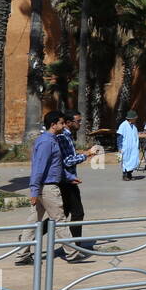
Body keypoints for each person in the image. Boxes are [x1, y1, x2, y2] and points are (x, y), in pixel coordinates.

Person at [22, 111, 76, 265]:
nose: (63, 125)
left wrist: (70, 177)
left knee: (33, 222)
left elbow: (55, 166)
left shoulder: (51, 140)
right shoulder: (46, 142)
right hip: (47, 188)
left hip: (44, 186)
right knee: (59, 219)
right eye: (61, 123)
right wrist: (34, 190)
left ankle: (22, 255)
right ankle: (72, 253)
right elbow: (39, 168)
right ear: (53, 125)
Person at [56, 111, 101, 256]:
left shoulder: (68, 137)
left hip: (69, 178)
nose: (80, 124)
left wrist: (84, 154)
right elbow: (67, 161)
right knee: (77, 213)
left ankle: (31, 237)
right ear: (69, 123)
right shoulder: (63, 137)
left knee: (61, 214)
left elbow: (71, 156)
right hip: (66, 180)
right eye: (78, 121)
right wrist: (86, 154)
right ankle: (76, 247)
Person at [117, 110, 141, 180]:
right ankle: (125, 175)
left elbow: (135, 137)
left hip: (133, 148)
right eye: (135, 118)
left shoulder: (134, 126)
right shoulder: (123, 125)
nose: (135, 119)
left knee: (133, 160)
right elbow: (119, 137)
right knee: (125, 161)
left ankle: (129, 174)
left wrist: (137, 146)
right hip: (125, 147)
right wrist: (119, 147)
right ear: (131, 118)